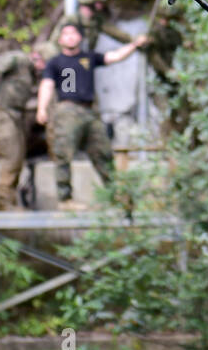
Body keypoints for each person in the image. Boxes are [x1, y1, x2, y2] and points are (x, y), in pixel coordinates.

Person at [36, 22, 147, 210]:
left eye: (74, 33)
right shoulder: (55, 62)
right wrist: (42, 108)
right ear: (60, 39)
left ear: (80, 37)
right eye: (66, 34)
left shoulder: (89, 57)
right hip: (66, 110)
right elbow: (46, 85)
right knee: (63, 154)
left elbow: (115, 56)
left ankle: (116, 196)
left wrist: (134, 45)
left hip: (90, 111)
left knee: (103, 152)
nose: (70, 37)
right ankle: (65, 200)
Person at [0, 40, 57, 210]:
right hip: (3, 113)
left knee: (18, 156)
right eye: (43, 62)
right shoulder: (18, 60)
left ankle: (10, 201)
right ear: (35, 56)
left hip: (17, 115)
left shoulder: (33, 73)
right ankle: (3, 203)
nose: (43, 67)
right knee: (10, 156)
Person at [49, 0, 134, 52]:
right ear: (89, 1)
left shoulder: (96, 21)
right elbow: (54, 43)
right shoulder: (71, 20)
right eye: (98, 2)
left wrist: (134, 40)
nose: (101, 5)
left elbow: (117, 34)